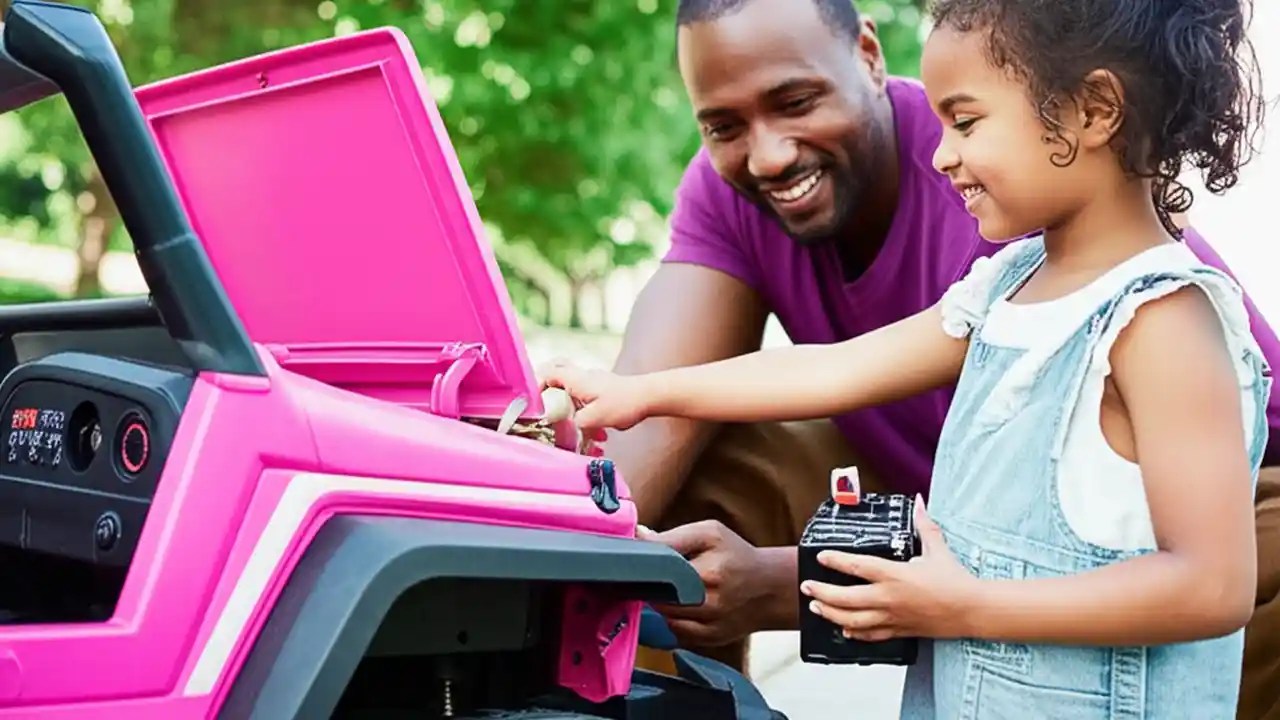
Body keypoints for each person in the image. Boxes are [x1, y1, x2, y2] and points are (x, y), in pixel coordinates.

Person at [550, 0, 1280, 716]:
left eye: (964, 122)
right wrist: (639, 394)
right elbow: (831, 369)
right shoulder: (1004, 283)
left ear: (1092, 112)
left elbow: (1212, 587)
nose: (940, 152)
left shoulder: (1161, 319)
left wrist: (967, 606)